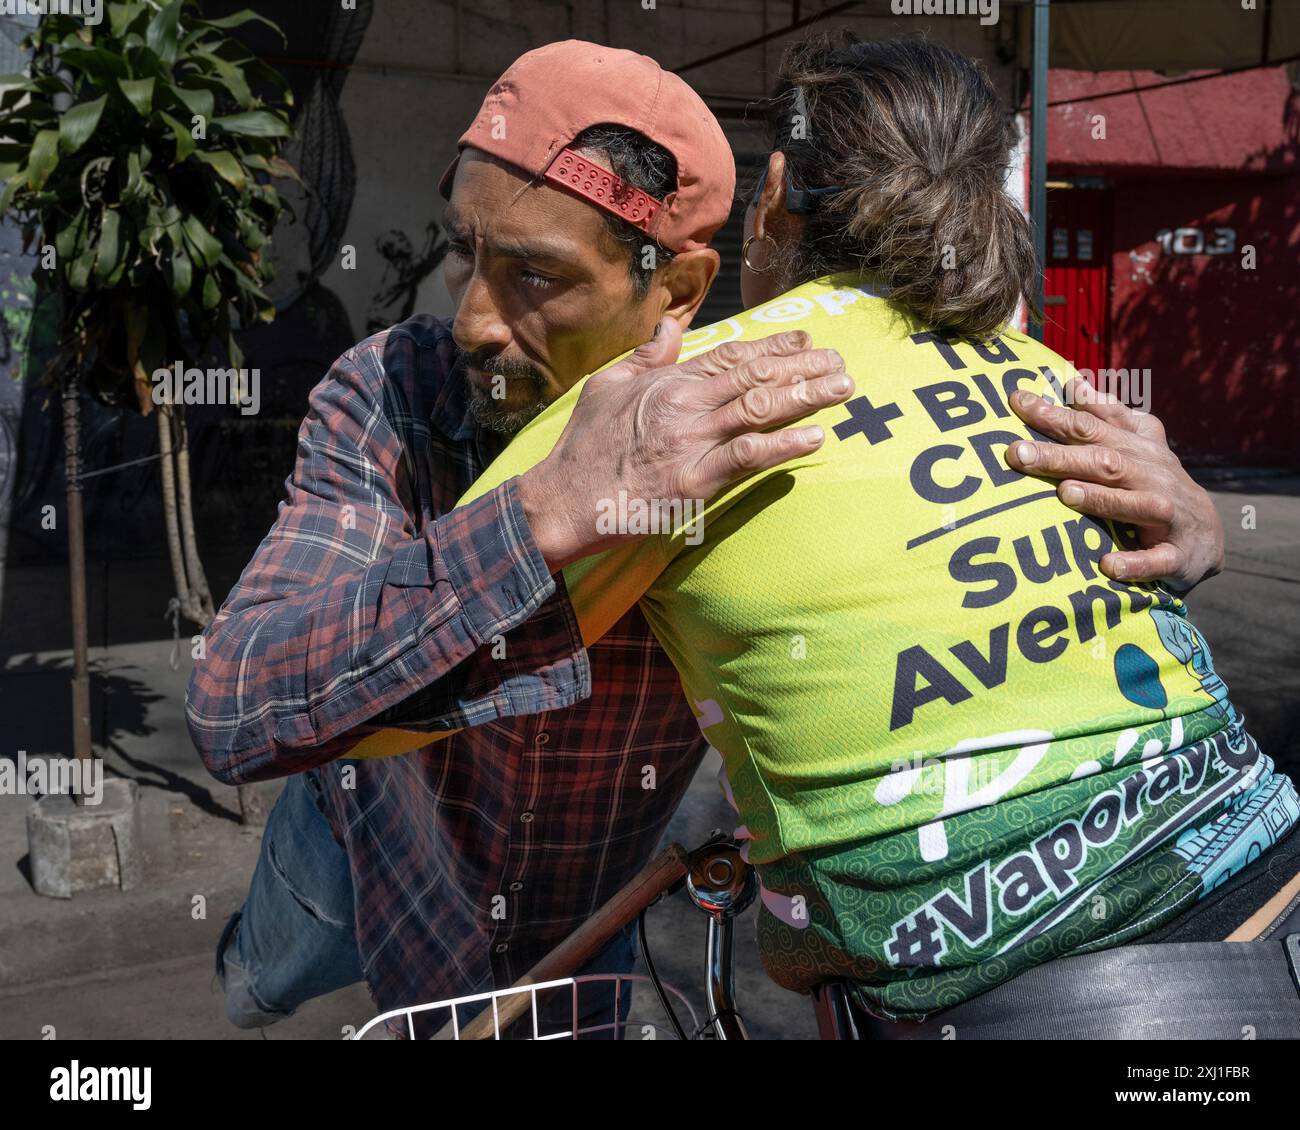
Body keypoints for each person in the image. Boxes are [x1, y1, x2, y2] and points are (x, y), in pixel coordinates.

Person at [188, 39, 1229, 1039]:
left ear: (677, 290)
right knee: (260, 977)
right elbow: (237, 704)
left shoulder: (766, 426)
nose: (470, 319)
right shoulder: (391, 390)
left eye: (535, 277)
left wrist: (1179, 528)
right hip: (362, 862)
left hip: (584, 927)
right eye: (465, 252)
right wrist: (547, 510)